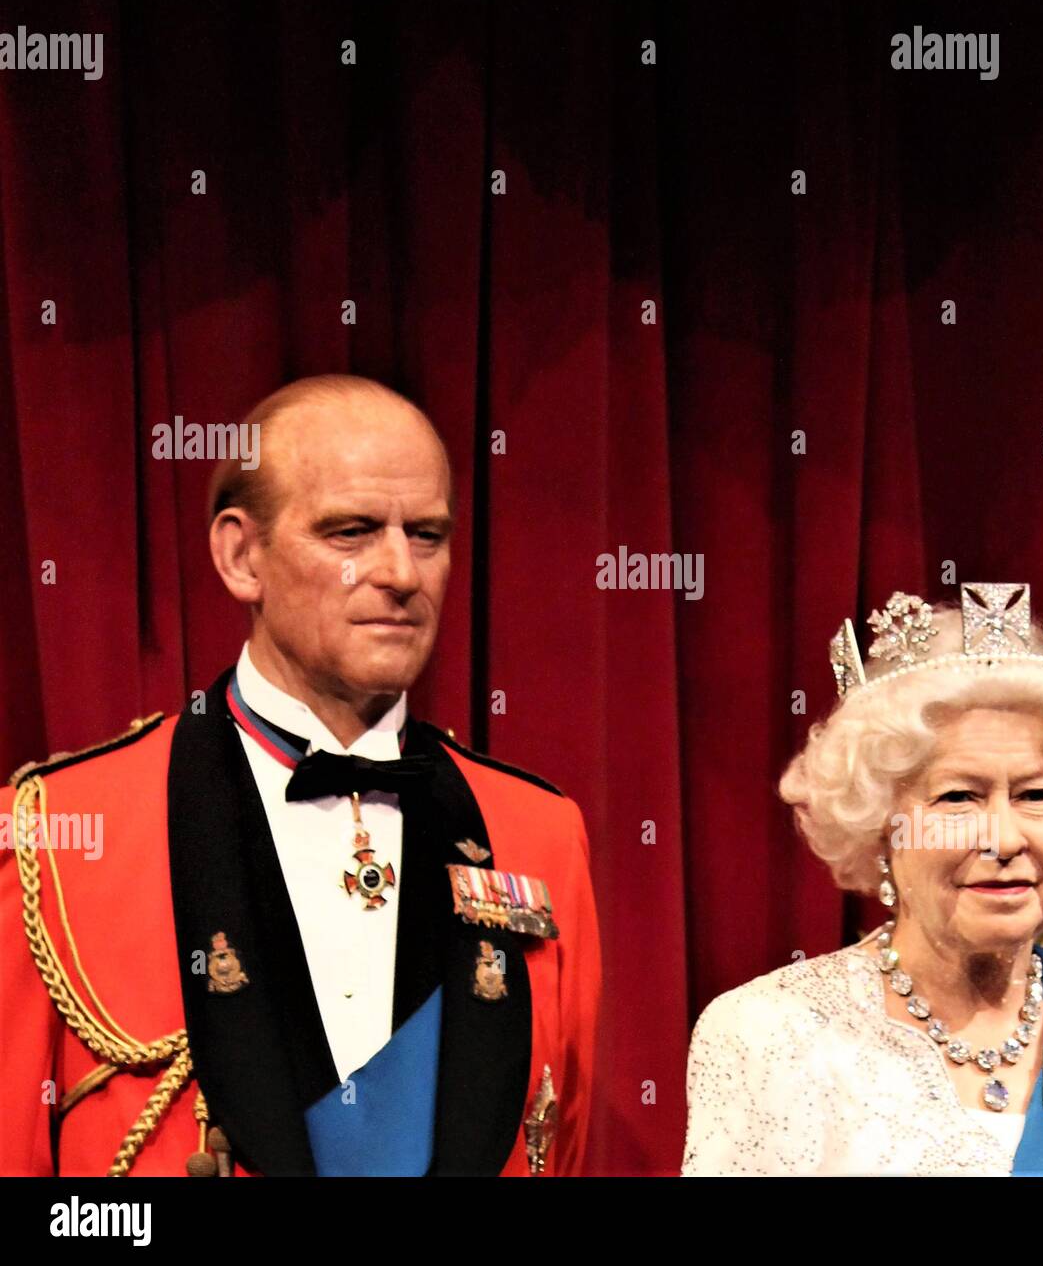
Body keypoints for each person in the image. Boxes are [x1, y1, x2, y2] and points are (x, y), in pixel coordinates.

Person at [0, 375, 600, 1177]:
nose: (401, 572)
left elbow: (564, 1152)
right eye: (350, 531)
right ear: (242, 555)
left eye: (426, 534)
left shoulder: (538, 832)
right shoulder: (59, 833)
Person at [682, 583, 1043, 1176]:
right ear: (879, 827)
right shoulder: (771, 1034)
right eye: (958, 797)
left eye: (1036, 795)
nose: (1003, 839)